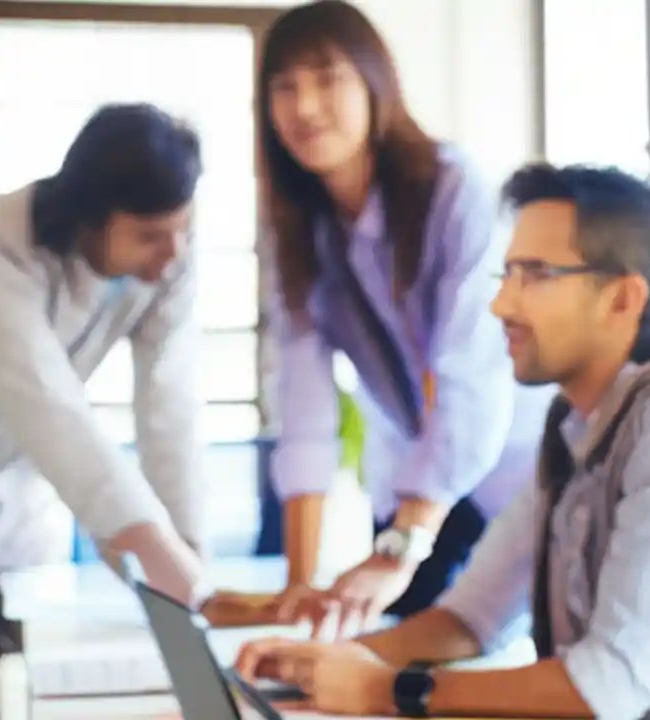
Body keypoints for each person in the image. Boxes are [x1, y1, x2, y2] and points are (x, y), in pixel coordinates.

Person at [235, 163, 650, 720]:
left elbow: (606, 686)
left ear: (623, 298)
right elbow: (469, 618)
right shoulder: (574, 425)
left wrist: (386, 691)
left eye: (537, 275)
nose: (500, 303)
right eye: (508, 273)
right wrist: (319, 664)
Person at [249, 0, 552, 636]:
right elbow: (304, 407)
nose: (304, 107)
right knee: (380, 644)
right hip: (420, 471)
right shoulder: (297, 230)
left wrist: (402, 547)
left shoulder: (454, 190)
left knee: (526, 646)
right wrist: (299, 585)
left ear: (374, 82)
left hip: (517, 459)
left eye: (328, 78)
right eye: (285, 87)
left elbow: (471, 379)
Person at [0, 103, 216, 718]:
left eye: (181, 228)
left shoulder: (168, 255)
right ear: (90, 219)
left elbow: (169, 407)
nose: (171, 252)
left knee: (13, 659)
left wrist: (186, 550)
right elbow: (49, 403)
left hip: (13, 487)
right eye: (150, 235)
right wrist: (159, 555)